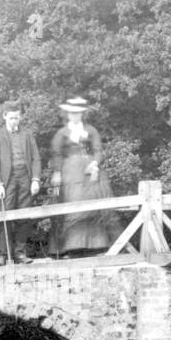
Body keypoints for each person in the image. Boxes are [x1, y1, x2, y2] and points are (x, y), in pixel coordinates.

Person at [48, 97, 116, 257]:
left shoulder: (91, 130)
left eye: (78, 113)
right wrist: (57, 172)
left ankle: (96, 246)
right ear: (67, 114)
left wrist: (95, 163)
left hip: (89, 172)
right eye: (72, 113)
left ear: (82, 114)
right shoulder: (62, 133)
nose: (75, 116)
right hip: (70, 173)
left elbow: (98, 150)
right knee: (73, 206)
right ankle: (70, 247)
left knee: (92, 206)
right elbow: (56, 154)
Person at [0, 101, 42, 264]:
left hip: (25, 176)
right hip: (7, 179)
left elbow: (35, 158)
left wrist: (35, 180)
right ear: (5, 117)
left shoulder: (27, 134)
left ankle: (19, 253)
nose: (14, 121)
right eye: (11, 118)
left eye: (17, 118)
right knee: (6, 215)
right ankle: (2, 255)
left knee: (24, 215)